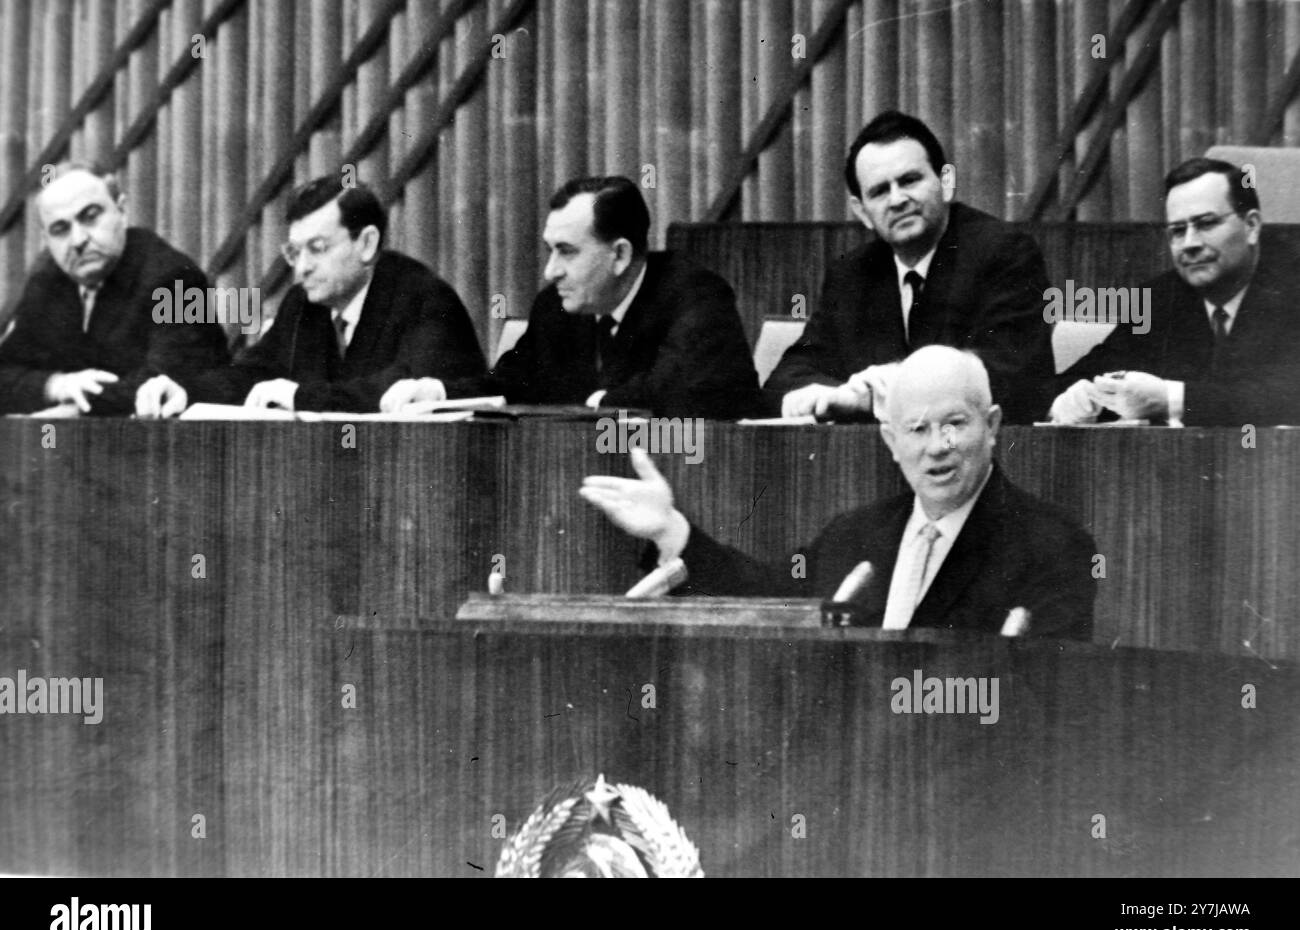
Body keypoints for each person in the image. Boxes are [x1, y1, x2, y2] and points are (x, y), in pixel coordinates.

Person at [582, 346, 1096, 640]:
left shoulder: (1052, 546)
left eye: (955, 424)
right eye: (917, 430)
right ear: (891, 443)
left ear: (992, 426)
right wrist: (673, 530)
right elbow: (768, 599)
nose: (937, 448)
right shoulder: (858, 535)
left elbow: (1043, 703)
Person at [379, 176, 764, 419]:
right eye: (550, 250)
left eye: (568, 251)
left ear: (620, 255)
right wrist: (439, 393)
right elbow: (509, 386)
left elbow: (672, 395)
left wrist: (587, 405)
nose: (551, 271)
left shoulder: (696, 296)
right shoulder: (557, 308)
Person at [765, 110, 1055, 425]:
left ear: (946, 181)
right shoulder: (851, 274)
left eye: (909, 180)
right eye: (879, 191)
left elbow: (1013, 376)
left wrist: (879, 396)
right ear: (861, 211)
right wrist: (834, 397)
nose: (897, 199)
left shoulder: (1003, 252)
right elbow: (789, 375)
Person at [135, 177, 484, 416]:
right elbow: (252, 372)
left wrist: (299, 396)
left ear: (366, 243)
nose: (301, 268)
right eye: (294, 252)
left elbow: (400, 390)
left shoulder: (426, 300)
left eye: (317, 249)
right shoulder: (303, 304)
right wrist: (187, 390)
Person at [1048, 157, 1300, 426]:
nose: (1189, 243)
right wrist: (1074, 398)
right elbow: (1082, 378)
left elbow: (1286, 398)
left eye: (1206, 224)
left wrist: (1172, 400)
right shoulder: (1160, 298)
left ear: (1251, 226)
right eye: (1178, 231)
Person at [0, 163, 229, 415]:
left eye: (90, 216)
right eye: (60, 229)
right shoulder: (48, 280)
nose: (78, 241)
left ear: (122, 211)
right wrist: (56, 385)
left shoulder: (175, 277)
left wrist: (78, 411)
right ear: (46, 239)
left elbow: (169, 382)